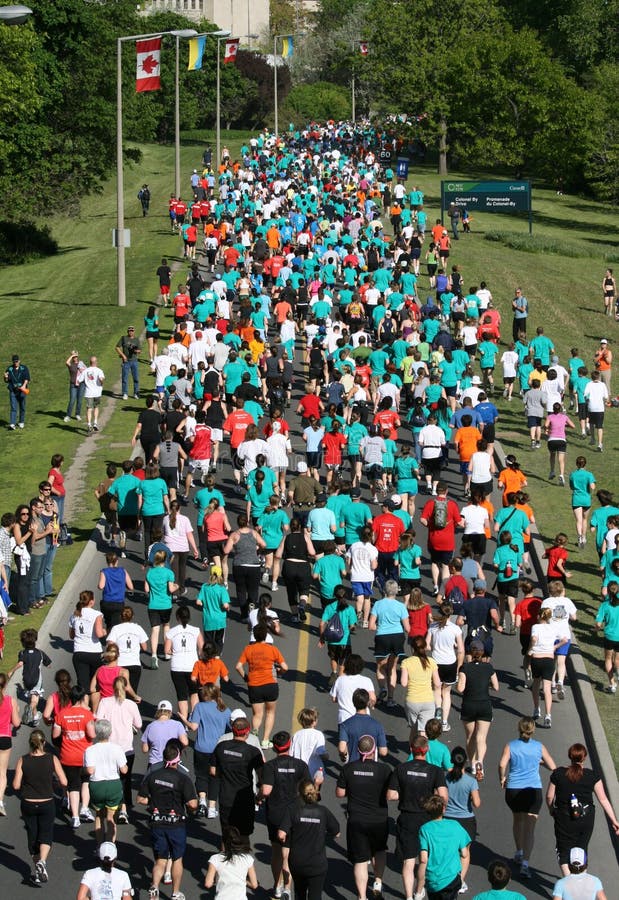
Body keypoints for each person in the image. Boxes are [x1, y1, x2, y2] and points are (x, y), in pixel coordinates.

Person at [387, 734, 448, 900]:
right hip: (428, 818)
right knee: (424, 859)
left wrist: (405, 795)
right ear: (426, 750)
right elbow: (443, 795)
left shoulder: (401, 768)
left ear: (411, 749)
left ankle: (408, 897)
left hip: (407, 817)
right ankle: (419, 891)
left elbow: (391, 795)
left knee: (408, 861)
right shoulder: (435, 771)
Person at [137, 740, 198, 900]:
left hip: (157, 823)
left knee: (160, 860)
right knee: (177, 858)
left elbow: (140, 799)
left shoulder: (153, 775)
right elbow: (192, 803)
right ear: (177, 759)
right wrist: (192, 808)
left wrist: (154, 803)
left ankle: (154, 887)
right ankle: (175, 893)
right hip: (176, 823)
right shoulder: (183, 778)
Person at [546, 743, 619, 875]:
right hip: (586, 819)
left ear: (570, 756)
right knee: (582, 849)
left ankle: (569, 883)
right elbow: (603, 800)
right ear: (584, 758)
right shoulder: (592, 776)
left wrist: (551, 809)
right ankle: (581, 882)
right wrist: (614, 820)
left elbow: (549, 796)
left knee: (564, 852)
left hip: (564, 818)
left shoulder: (558, 774)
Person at [498, 716, 556, 878]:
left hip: (514, 789)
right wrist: (539, 762)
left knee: (517, 820)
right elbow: (553, 766)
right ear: (532, 730)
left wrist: (502, 778)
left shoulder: (511, 746)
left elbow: (502, 764)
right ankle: (525, 863)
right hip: (533, 790)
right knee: (530, 828)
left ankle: (519, 851)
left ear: (519, 728)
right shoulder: (539, 747)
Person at [336, 734, 391, 900]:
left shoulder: (348, 768)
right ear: (373, 750)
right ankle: (378, 882)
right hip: (379, 819)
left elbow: (340, 793)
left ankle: (361, 896)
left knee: (360, 860)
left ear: (358, 750)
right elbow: (391, 794)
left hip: (356, 820)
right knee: (379, 850)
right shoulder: (384, 770)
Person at [260, 730, 311, 900]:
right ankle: (288, 888)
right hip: (295, 814)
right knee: (289, 853)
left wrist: (257, 798)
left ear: (274, 747)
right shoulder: (301, 765)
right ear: (289, 745)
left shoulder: (270, 766)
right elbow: (308, 789)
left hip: (275, 813)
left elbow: (266, 790)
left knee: (276, 852)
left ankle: (277, 886)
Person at [13, 727, 67, 884]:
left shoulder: (23, 760)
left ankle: (38, 867)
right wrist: (55, 783)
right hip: (46, 802)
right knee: (46, 833)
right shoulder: (52, 759)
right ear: (43, 743)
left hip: (28, 803)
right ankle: (42, 863)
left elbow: (16, 785)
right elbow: (64, 781)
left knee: (32, 836)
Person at [277, 780, 340, 900]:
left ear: (299, 794)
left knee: (299, 894)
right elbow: (337, 832)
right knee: (315, 896)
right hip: (317, 863)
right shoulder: (323, 811)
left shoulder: (293, 811)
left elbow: (281, 834)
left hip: (297, 862)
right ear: (315, 792)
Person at [96, 675, 142, 823]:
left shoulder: (105, 701)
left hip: (108, 746)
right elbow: (139, 724)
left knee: (109, 776)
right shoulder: (130, 704)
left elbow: (98, 720)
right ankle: (123, 809)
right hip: (126, 747)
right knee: (125, 779)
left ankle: (108, 805)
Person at [235, 622, 288, 748]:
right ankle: (265, 740)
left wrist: (245, 677)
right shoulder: (272, 649)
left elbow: (238, 666)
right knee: (270, 712)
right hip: (270, 684)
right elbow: (285, 667)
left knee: (257, 714)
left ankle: (254, 734)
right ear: (265, 636)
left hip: (254, 685)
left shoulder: (248, 649)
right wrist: (280, 672)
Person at [211, 715, 264, 839]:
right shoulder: (253, 752)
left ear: (232, 730)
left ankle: (226, 857)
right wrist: (259, 796)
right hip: (245, 799)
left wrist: (225, 774)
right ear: (247, 732)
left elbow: (213, 771)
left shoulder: (221, 746)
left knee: (226, 835)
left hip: (226, 798)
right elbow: (262, 777)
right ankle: (242, 857)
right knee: (244, 835)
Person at [184, 684, 231, 818]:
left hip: (201, 748)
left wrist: (183, 719)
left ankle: (202, 801)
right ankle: (211, 807)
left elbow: (193, 727)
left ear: (205, 695)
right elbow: (231, 728)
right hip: (217, 750)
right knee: (215, 778)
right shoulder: (225, 709)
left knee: (201, 776)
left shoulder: (200, 707)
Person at [53, 685, 95, 828]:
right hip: (85, 756)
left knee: (73, 786)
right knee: (85, 782)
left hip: (68, 756)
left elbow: (55, 735)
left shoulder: (62, 714)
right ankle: (85, 808)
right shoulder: (87, 714)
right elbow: (92, 734)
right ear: (83, 698)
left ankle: (75, 817)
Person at [455, 640, 499, 778]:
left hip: (469, 704)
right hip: (484, 705)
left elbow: (460, 688)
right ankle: (480, 761)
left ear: (470, 653)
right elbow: (496, 687)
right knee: (481, 737)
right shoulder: (488, 667)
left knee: (470, 737)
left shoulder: (465, 668)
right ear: (482, 653)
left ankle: (473, 764)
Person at [84, 718, 128, 849]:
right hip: (113, 784)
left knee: (99, 816)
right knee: (111, 818)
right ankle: (110, 847)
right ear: (110, 733)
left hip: (97, 784)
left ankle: (99, 846)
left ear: (96, 733)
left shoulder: (90, 750)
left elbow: (90, 770)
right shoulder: (117, 748)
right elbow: (124, 769)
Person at [417, 793, 471, 899]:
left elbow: (423, 859)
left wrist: (419, 888)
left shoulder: (425, 829)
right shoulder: (455, 825)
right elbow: (465, 853)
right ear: (443, 809)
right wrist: (461, 878)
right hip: (452, 878)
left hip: (433, 880)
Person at [369, 578, 409, 706]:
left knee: (381, 666)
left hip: (382, 636)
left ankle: (382, 689)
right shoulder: (401, 606)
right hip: (397, 636)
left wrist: (380, 627)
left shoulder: (378, 605)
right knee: (392, 667)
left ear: (385, 590)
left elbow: (371, 625)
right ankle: (391, 699)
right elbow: (407, 628)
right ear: (396, 591)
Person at [427, 602, 465, 732]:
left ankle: (437, 711)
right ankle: (444, 722)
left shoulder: (433, 626)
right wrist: (459, 667)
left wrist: (434, 647)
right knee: (446, 692)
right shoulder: (455, 629)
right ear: (451, 613)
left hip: (436, 662)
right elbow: (460, 650)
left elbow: (427, 645)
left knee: (436, 689)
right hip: (450, 662)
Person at [529, 607, 568, 727]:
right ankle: (548, 715)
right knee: (547, 688)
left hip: (537, 658)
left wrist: (531, 647)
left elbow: (534, 638)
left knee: (536, 684)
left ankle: (536, 709)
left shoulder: (535, 627)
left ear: (540, 616)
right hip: (549, 659)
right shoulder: (553, 628)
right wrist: (555, 647)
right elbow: (565, 639)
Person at [164, 605, 203, 720]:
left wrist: (175, 652)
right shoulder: (195, 631)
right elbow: (201, 648)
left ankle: (184, 720)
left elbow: (167, 650)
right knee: (194, 693)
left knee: (181, 695)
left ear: (177, 618)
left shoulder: (171, 632)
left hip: (177, 667)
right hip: (193, 666)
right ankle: (194, 717)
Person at [223, 514, 266, 620]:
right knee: (253, 589)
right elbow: (264, 544)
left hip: (239, 565)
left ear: (238, 523)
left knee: (241, 590)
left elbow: (226, 551)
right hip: (253, 565)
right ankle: (252, 603)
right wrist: (256, 548)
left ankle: (244, 614)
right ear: (247, 522)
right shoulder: (254, 533)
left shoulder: (234, 535)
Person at [400, 634, 441, 737]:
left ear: (412, 648)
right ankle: (422, 751)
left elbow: (404, 683)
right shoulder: (431, 662)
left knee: (413, 729)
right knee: (423, 731)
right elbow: (437, 683)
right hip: (428, 700)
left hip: (412, 700)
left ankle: (413, 751)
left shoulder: (406, 662)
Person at [204, 825, 259, 898]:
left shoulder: (215, 859)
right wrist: (241, 880)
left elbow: (208, 884)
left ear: (223, 842)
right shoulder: (247, 859)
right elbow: (254, 885)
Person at [145, 549, 178, 669]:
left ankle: (153, 655)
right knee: (166, 627)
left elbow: (146, 589)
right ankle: (167, 652)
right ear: (165, 560)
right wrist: (177, 586)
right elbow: (171, 589)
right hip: (165, 605)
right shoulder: (169, 573)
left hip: (153, 605)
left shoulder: (150, 573)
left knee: (155, 630)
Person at [444, 746, 480, 841]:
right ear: (465, 761)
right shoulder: (471, 781)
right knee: (465, 852)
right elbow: (477, 803)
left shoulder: (445, 778)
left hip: (447, 818)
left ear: (451, 760)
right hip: (466, 820)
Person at [141, 700, 188, 769]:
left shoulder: (150, 726)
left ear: (158, 712)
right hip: (172, 763)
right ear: (170, 712)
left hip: (154, 764)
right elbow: (185, 742)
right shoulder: (178, 725)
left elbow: (145, 749)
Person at [4, 353, 30, 430]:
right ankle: (12, 424)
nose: (15, 363)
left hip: (22, 390)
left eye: (17, 361)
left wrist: (24, 386)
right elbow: (6, 380)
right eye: (14, 362)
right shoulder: (9, 369)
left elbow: (27, 378)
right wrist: (5, 377)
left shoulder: (24, 368)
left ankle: (21, 422)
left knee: (22, 407)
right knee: (13, 407)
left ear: (19, 361)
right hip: (13, 390)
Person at [115, 326, 141, 400]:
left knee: (136, 378)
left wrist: (135, 350)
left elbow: (139, 350)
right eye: (129, 330)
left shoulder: (136, 340)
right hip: (126, 361)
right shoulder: (124, 338)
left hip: (134, 361)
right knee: (125, 378)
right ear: (127, 331)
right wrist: (123, 355)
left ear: (134, 331)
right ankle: (125, 393)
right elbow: (117, 347)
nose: (131, 332)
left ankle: (136, 393)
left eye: (132, 330)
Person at [82, 355, 105, 433]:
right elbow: (102, 380)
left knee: (89, 409)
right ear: (96, 362)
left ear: (90, 362)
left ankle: (89, 425)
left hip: (89, 393)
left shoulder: (85, 371)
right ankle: (95, 423)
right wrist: (101, 382)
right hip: (97, 393)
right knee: (96, 407)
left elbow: (79, 380)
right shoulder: (99, 370)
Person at [64, 350, 87, 422]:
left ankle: (77, 414)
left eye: (76, 356)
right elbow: (67, 362)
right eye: (74, 357)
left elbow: (86, 372)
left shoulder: (81, 364)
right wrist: (72, 355)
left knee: (79, 400)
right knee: (72, 400)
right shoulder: (71, 365)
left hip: (81, 384)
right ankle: (68, 415)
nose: (75, 358)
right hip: (73, 385)